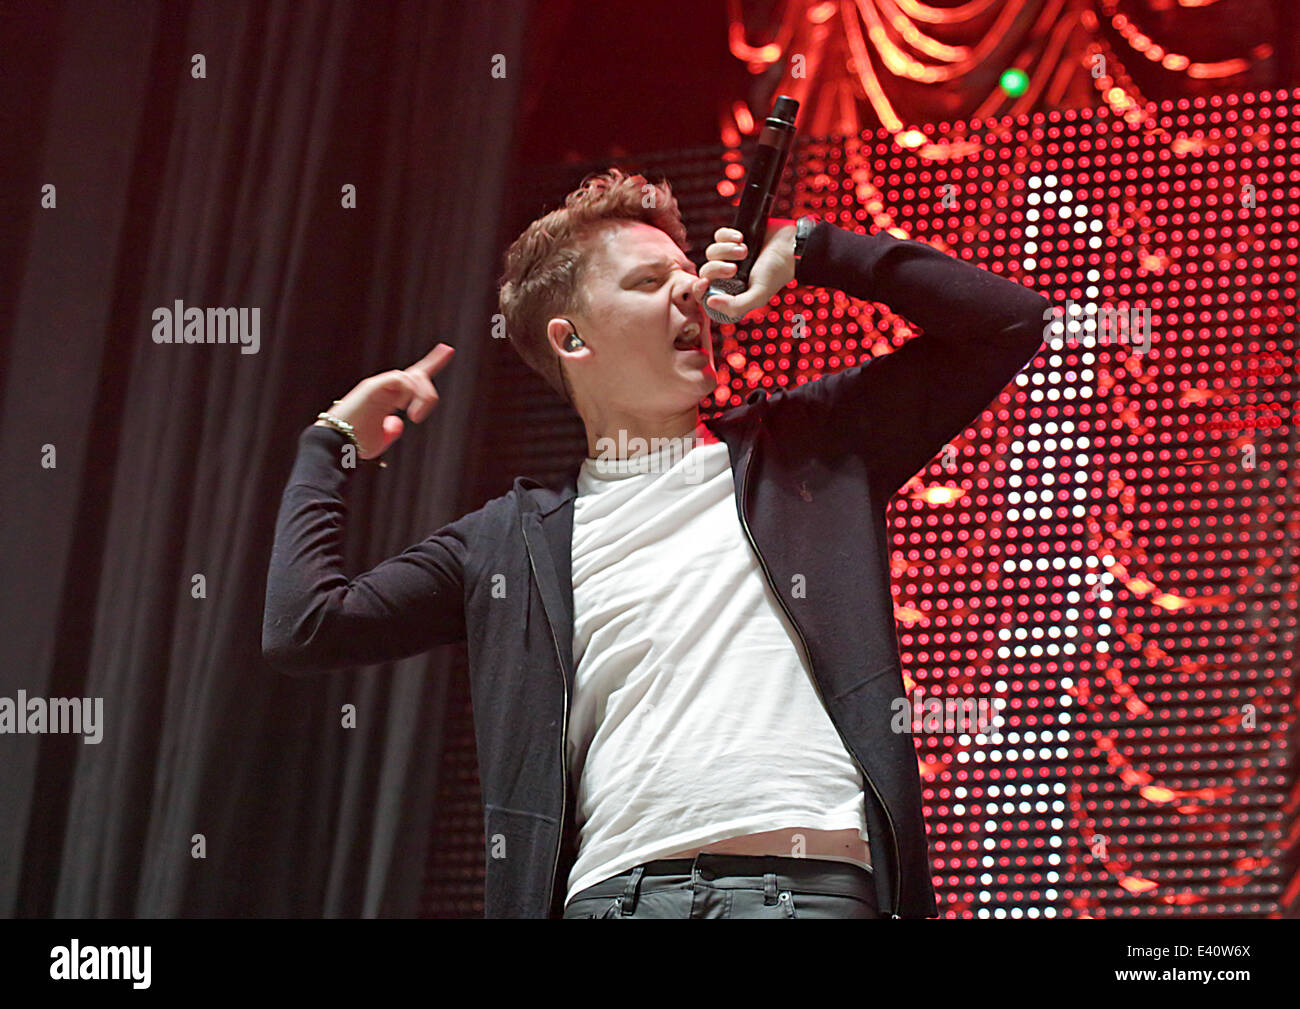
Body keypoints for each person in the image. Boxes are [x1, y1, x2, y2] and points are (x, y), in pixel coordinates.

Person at [263, 168, 1047, 918]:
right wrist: (329, 441)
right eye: (647, 282)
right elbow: (306, 626)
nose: (692, 291)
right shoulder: (511, 541)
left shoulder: (804, 450)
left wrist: (813, 246)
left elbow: (1008, 320)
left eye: (687, 274)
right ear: (571, 340)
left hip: (804, 888)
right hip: (613, 897)